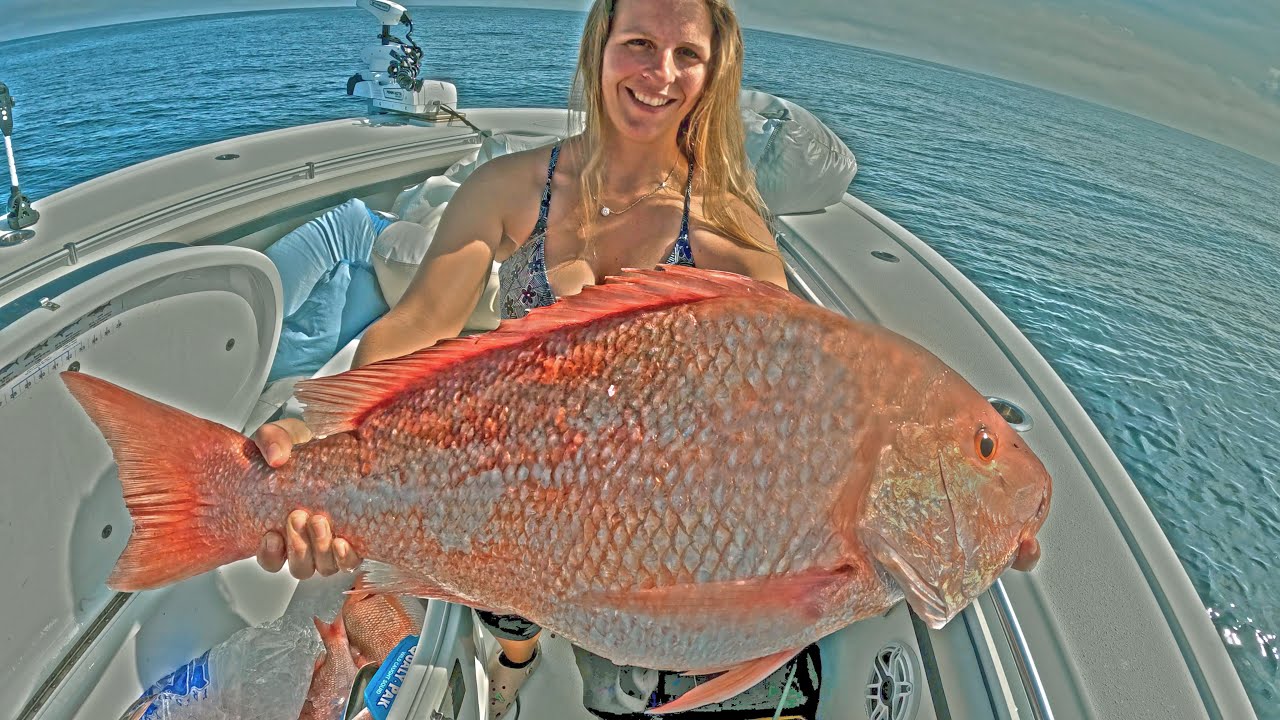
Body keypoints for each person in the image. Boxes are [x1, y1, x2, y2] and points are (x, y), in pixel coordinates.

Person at [250, 0, 1041, 715]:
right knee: (511, 612)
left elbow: (795, 396)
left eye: (686, 54)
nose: (659, 74)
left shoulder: (732, 232)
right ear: (599, 45)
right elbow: (415, 328)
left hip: (639, 534)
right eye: (638, 43)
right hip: (510, 491)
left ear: (713, 69)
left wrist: (960, 519)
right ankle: (510, 671)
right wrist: (305, 442)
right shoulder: (507, 188)